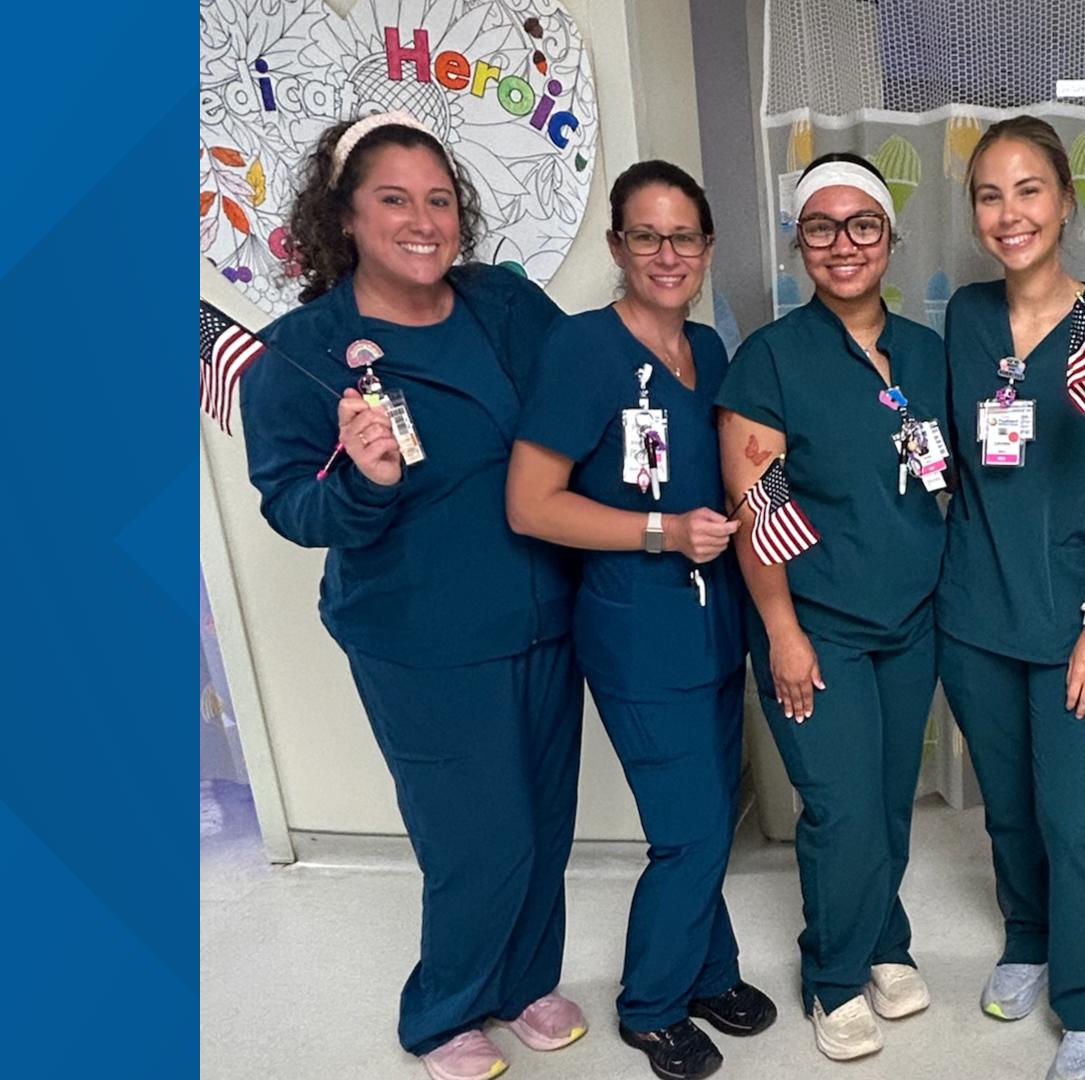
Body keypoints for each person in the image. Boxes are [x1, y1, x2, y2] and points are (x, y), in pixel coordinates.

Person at [239, 111, 586, 1080]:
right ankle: (444, 1010)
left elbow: (581, 391)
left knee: (543, 817)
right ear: (344, 217)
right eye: (393, 199)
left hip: (542, 612)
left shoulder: (501, 308)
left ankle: (521, 981)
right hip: (421, 632)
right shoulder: (304, 351)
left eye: (438, 199)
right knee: (477, 833)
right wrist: (362, 480)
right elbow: (292, 508)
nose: (422, 220)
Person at [504, 160, 776, 1080]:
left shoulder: (712, 349)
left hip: (715, 623)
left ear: (707, 246)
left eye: (685, 236)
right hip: (634, 629)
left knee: (712, 810)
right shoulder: (583, 350)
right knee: (690, 827)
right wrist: (659, 532)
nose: (668, 254)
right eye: (647, 236)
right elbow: (531, 504)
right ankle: (652, 1004)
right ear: (618, 246)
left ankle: (709, 972)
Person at [714, 152, 950, 1063]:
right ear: (798, 243)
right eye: (821, 227)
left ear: (889, 237)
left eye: (862, 226)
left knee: (889, 802)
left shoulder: (924, 354)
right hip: (817, 627)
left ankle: (884, 939)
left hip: (912, 619)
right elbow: (753, 510)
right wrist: (782, 632)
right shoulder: (771, 359)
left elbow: (946, 473)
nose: (842, 245)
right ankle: (833, 975)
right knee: (841, 809)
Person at [937, 115, 1085, 1080]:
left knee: (1074, 815)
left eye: (1028, 190)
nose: (1009, 212)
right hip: (975, 611)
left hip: (1073, 612)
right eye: (990, 193)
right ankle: (1027, 938)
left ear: (1066, 200)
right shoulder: (966, 320)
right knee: (1010, 808)